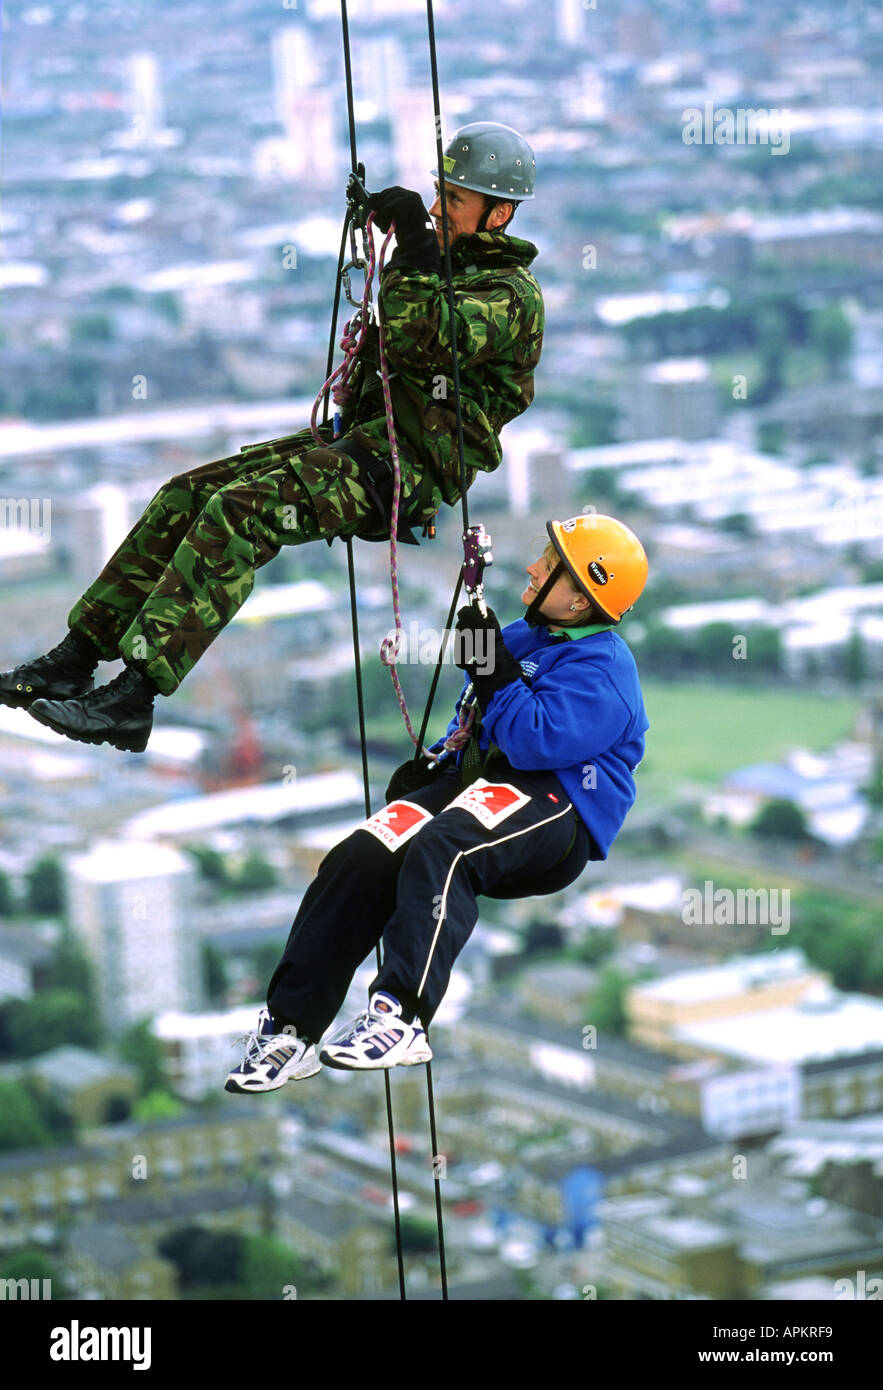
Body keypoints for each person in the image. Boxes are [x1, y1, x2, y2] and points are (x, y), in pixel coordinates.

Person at [0, 122, 544, 752]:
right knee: (188, 492)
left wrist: (416, 250)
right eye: (439, 194)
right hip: (367, 439)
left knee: (238, 514)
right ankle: (77, 655)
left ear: (498, 214)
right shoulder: (442, 265)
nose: (437, 209)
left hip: (408, 467)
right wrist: (416, 252)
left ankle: (134, 696)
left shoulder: (511, 297)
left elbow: (420, 335)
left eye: (455, 200)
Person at [225, 513, 649, 1092]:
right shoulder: (528, 637)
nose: (533, 567)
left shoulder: (606, 671)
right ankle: (291, 1028)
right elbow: (476, 715)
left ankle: (400, 1016)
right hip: (485, 783)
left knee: (444, 846)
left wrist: (491, 664)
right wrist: (437, 763)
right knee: (363, 852)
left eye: (549, 566)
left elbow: (531, 741)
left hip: (560, 807)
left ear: (579, 601)